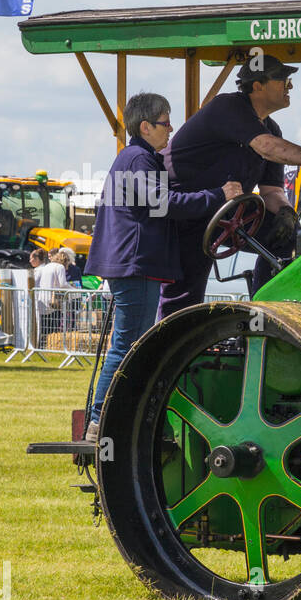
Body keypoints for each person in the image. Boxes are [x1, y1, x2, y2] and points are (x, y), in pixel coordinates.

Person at [84, 92, 241, 442]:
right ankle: (101, 422)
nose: (171, 129)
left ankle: (114, 419)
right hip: (136, 265)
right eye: (165, 122)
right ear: (145, 126)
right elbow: (163, 204)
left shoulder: (135, 158)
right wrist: (219, 195)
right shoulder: (140, 159)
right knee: (128, 346)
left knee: (132, 344)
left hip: (134, 263)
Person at [159, 54, 301, 317]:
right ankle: (172, 347)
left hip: (223, 214)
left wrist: (286, 213)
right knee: (184, 295)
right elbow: (266, 147)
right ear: (257, 86)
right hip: (184, 212)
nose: (289, 86)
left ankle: (266, 313)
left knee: (283, 238)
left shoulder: (272, 128)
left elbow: (272, 191)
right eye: (282, 80)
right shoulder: (228, 107)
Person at [29, 247, 67, 343]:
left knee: (44, 325)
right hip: (52, 301)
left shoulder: (45, 268)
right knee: (52, 326)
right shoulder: (59, 267)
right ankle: (49, 344)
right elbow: (63, 284)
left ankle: (42, 344)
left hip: (42, 299)